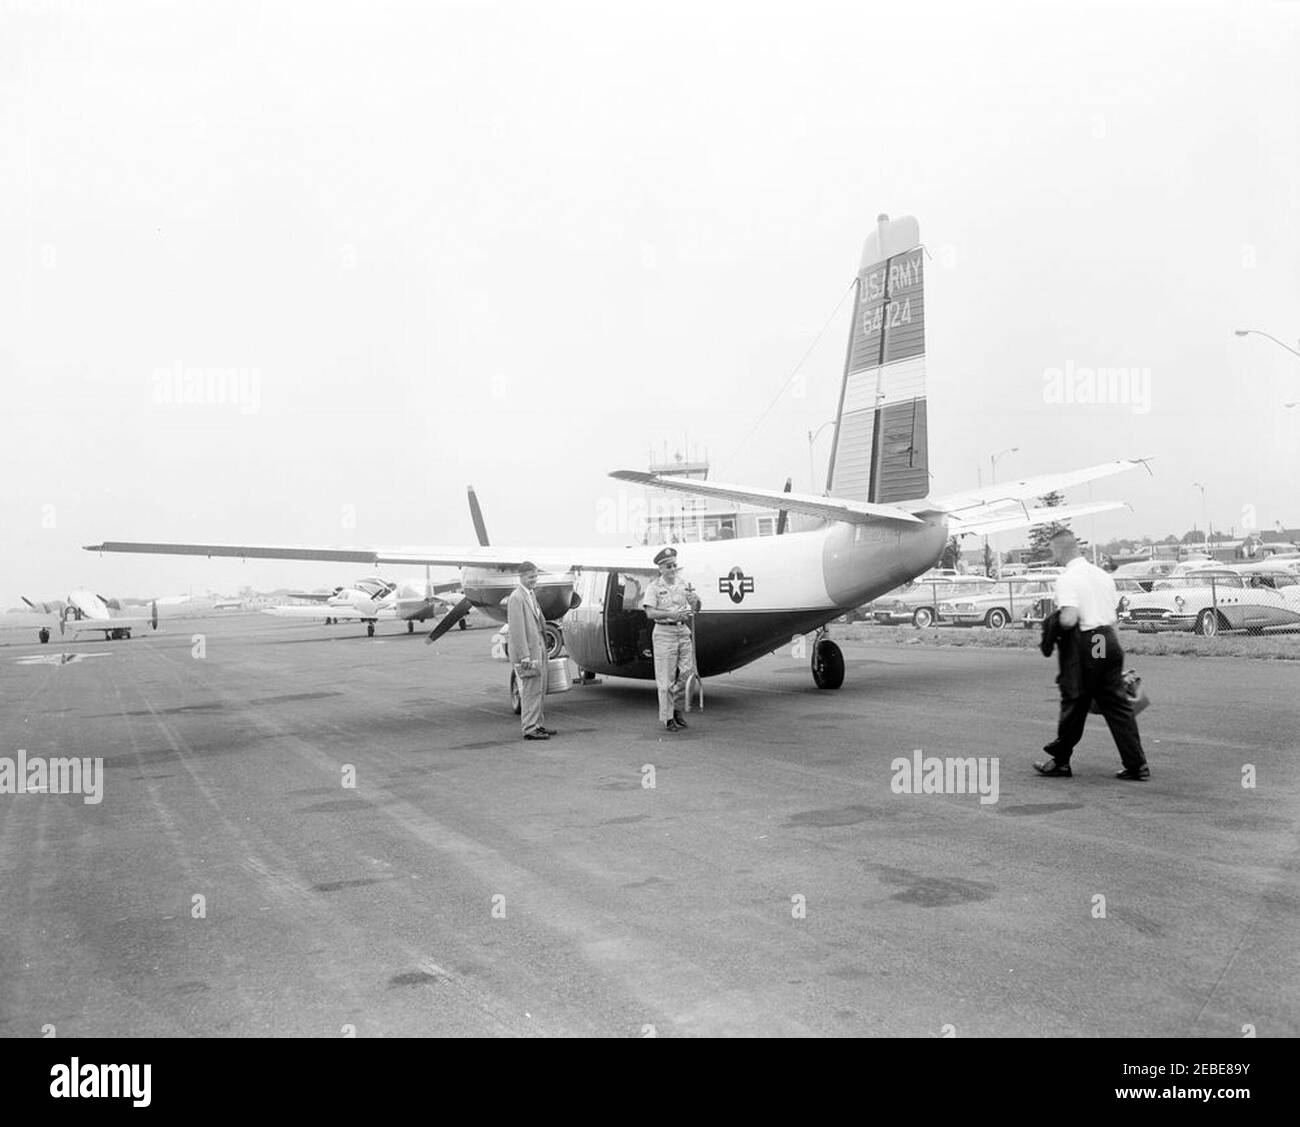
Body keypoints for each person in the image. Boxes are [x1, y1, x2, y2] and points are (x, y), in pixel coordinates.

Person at [1034, 530, 1149, 780]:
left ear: (1061, 549)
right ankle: (1137, 764)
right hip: (1108, 639)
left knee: (1074, 699)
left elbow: (1069, 618)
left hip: (1090, 642)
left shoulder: (1067, 578)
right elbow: (1112, 616)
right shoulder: (1102, 576)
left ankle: (1061, 761)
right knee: (1116, 706)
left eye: (1052, 551)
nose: (1052, 556)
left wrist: (1053, 623)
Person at [640, 546, 701, 732]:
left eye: (674, 565)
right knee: (665, 679)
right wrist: (671, 615)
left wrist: (695, 601)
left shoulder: (684, 584)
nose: (672, 569)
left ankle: (677, 709)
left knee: (687, 674)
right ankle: (668, 718)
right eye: (668, 566)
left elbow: (696, 608)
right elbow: (650, 613)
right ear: (660, 569)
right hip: (664, 633)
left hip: (683, 632)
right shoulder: (654, 587)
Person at [506, 561, 555, 741]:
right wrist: (525, 655)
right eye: (530, 577)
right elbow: (517, 630)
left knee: (539, 689)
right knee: (530, 690)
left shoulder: (530, 594)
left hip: (538, 648)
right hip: (528, 653)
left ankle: (537, 724)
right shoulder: (516, 598)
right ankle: (529, 728)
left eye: (535, 576)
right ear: (521, 577)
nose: (534, 580)